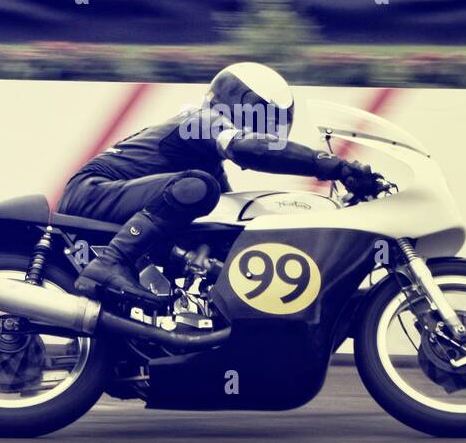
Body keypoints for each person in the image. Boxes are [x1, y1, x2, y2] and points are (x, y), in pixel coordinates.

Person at [59, 62, 384, 306]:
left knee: (225, 227)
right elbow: (250, 149)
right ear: (236, 103)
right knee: (198, 187)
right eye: (262, 116)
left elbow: (233, 225)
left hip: (114, 202)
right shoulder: (197, 122)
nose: (268, 129)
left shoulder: (209, 166)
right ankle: (110, 263)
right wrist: (333, 165)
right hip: (93, 192)